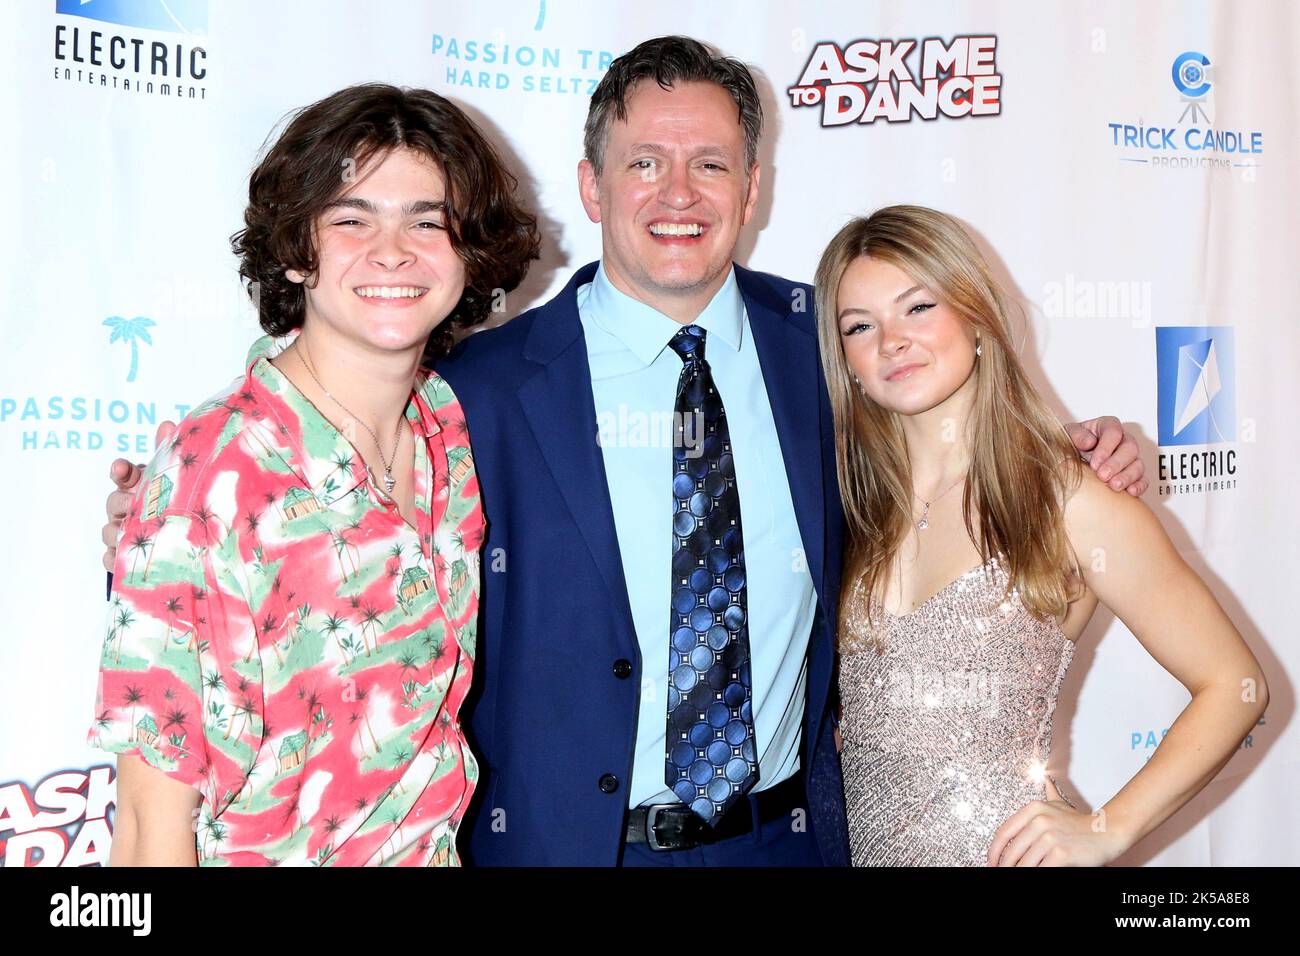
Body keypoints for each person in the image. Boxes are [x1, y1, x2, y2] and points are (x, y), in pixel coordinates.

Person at [101, 37, 1146, 867]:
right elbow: (270, 479)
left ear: (752, 189)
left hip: (786, 842)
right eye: (642, 162)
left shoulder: (828, 341)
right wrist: (165, 511)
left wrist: (1081, 449)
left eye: (710, 164)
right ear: (591, 188)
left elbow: (943, 416)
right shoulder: (477, 386)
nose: (676, 192)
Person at [89, 83, 540, 865]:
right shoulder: (211, 475)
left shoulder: (445, 430)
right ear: (297, 251)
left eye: (426, 220)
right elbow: (146, 826)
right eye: (351, 219)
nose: (393, 250)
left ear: (469, 253)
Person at [815, 205, 1268, 866]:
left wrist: (1109, 828)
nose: (893, 341)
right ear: (845, 359)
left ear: (974, 316)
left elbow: (1235, 682)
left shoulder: (1071, 499)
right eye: (861, 325)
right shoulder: (841, 505)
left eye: (918, 308)